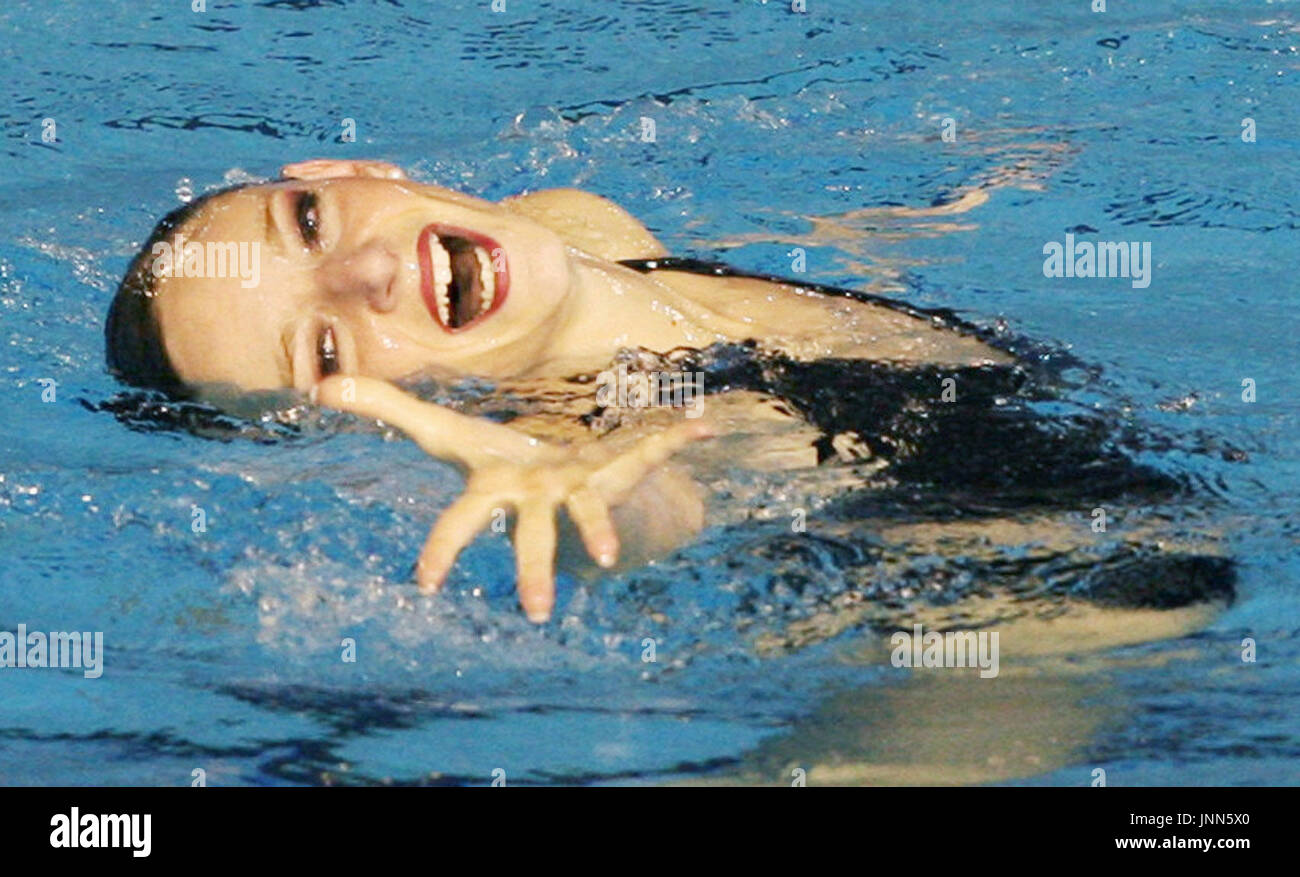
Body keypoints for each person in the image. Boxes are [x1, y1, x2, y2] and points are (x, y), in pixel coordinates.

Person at [106, 158, 1223, 626]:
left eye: (307, 227)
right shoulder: (584, 432)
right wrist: (573, 498)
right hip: (1047, 604)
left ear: (356, 174)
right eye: (327, 354)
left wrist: (922, 213)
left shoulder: (579, 225)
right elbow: (640, 505)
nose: (369, 272)